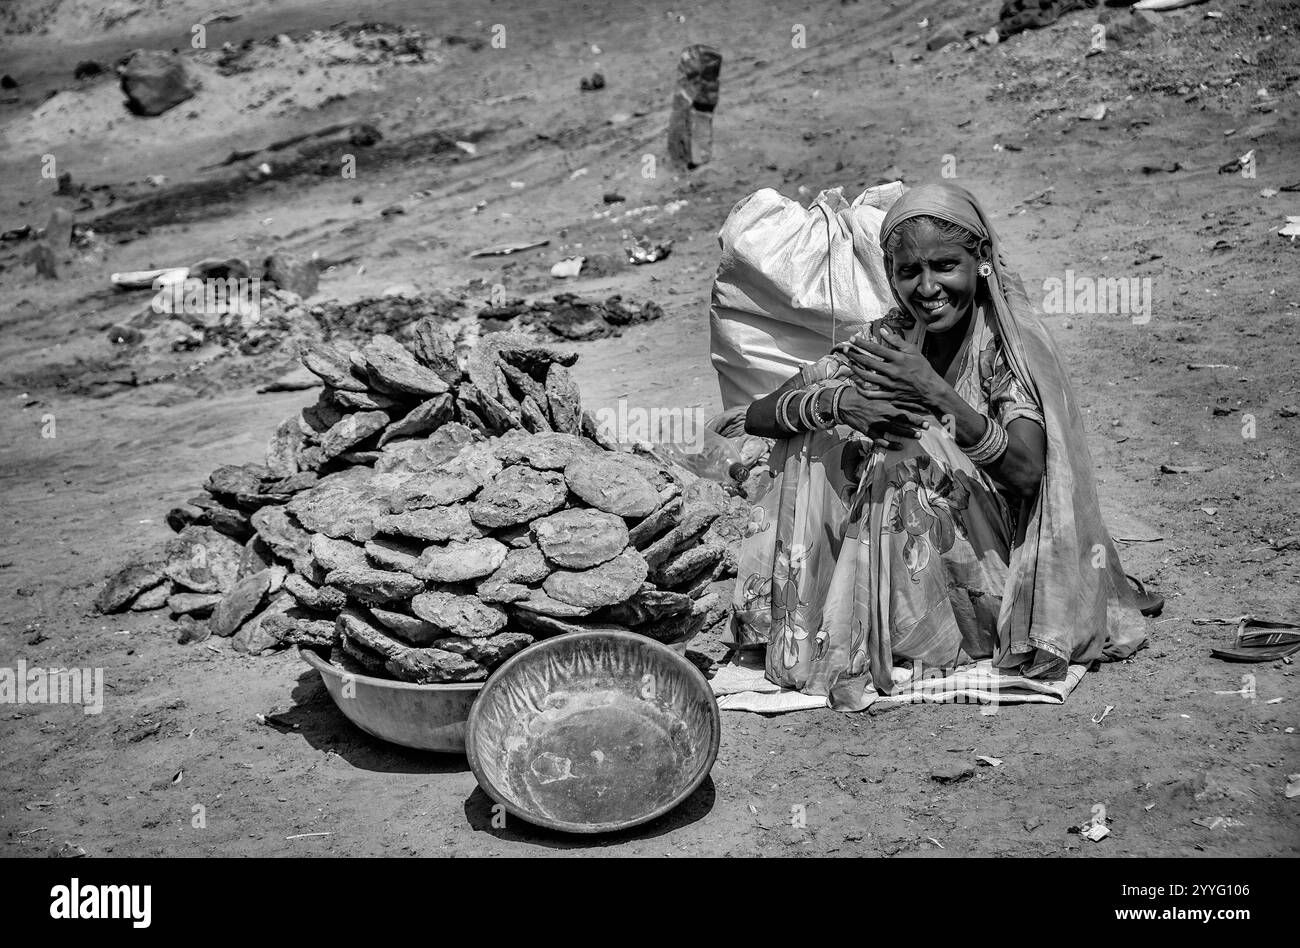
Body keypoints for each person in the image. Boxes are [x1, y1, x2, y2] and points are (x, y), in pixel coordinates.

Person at [731, 182, 1148, 711]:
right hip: (921, 551)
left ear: (981, 262)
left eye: (945, 266)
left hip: (1005, 567)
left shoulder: (1006, 348)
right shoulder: (892, 338)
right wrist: (838, 405)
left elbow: (1026, 474)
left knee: (908, 451)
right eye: (909, 272)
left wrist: (932, 392)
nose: (928, 287)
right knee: (818, 437)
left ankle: (921, 635)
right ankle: (813, 626)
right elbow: (763, 413)